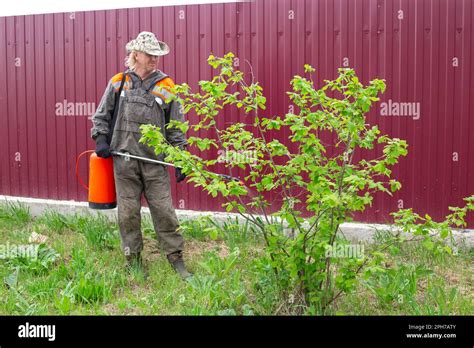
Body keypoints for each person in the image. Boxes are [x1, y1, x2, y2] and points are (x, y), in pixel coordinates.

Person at [90, 31, 192, 279]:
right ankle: (132, 259)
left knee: (164, 210)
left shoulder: (167, 86)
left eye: (157, 54)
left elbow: (176, 126)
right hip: (124, 162)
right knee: (127, 213)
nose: (155, 58)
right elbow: (101, 116)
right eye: (150, 54)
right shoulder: (118, 82)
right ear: (136, 54)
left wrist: (180, 158)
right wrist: (101, 139)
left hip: (154, 163)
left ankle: (176, 258)